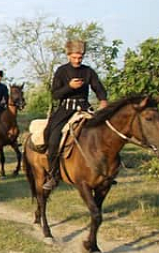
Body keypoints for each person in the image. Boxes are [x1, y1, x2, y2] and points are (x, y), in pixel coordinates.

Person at [42, 40, 109, 191]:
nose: (78, 60)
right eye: (75, 57)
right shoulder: (61, 71)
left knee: (104, 134)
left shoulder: (88, 71)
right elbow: (55, 94)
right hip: (65, 109)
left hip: (84, 108)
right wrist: (69, 87)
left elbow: (98, 87)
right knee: (52, 139)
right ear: (68, 56)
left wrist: (103, 100)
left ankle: (106, 172)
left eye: (80, 57)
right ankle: (53, 175)